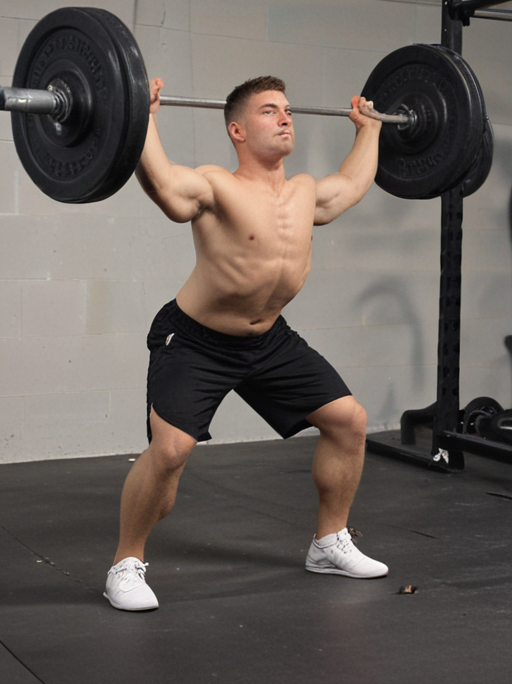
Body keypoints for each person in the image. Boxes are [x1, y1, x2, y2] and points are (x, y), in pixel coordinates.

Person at [104, 75, 387, 611]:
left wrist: (369, 131)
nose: (284, 117)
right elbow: (165, 187)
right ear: (236, 129)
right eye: (268, 111)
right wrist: (140, 113)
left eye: (286, 109)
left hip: (269, 340)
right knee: (170, 451)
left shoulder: (304, 191)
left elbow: (349, 187)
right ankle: (125, 563)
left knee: (349, 420)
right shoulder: (215, 185)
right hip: (194, 340)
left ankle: (329, 543)